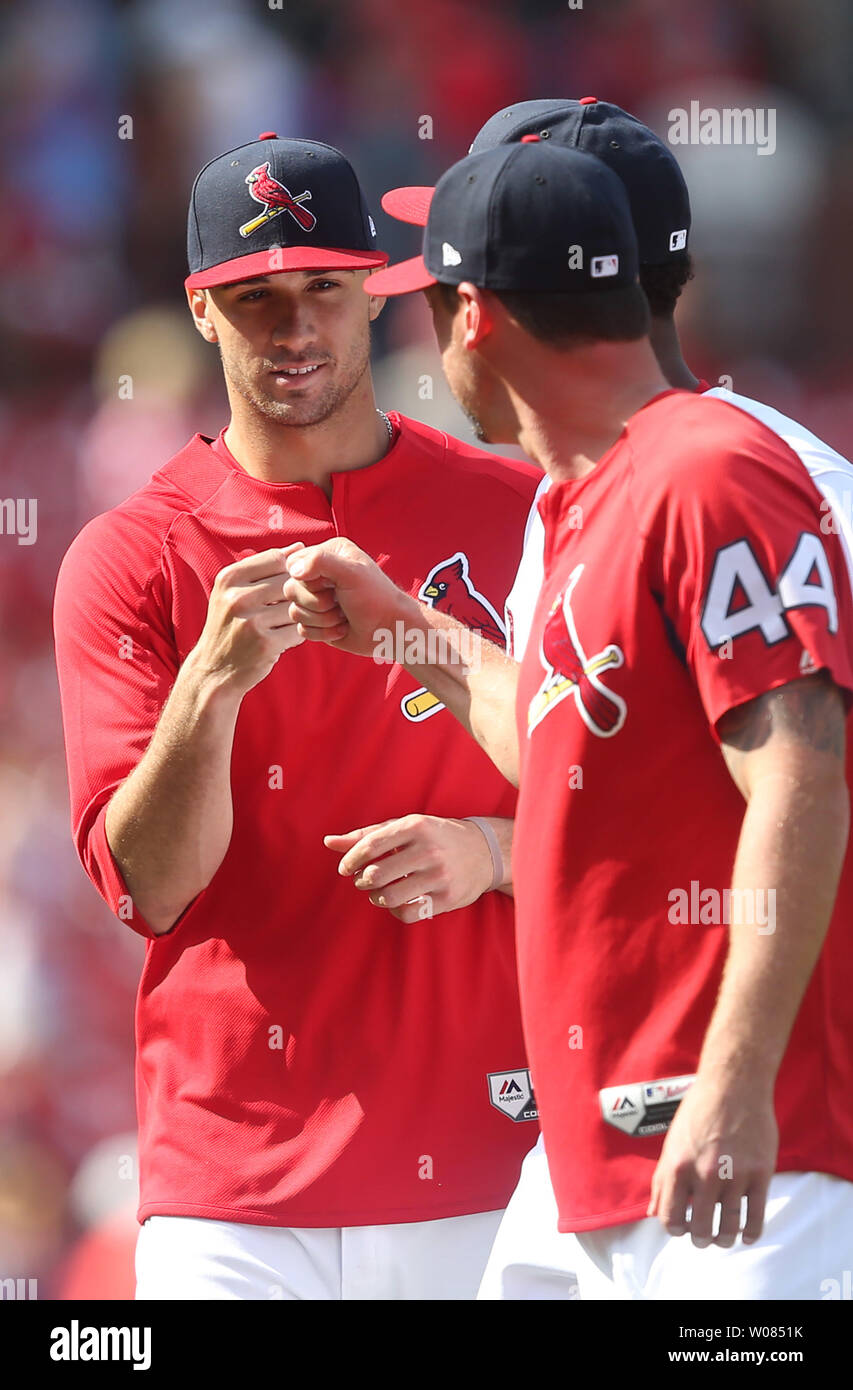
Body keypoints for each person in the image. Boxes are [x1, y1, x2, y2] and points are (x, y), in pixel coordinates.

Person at [281, 140, 853, 1300]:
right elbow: (569, 757)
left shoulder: (710, 473)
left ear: (474, 319)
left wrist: (736, 1081)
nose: (423, 347)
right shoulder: (591, 496)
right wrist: (405, 629)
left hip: (749, 1162)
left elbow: (801, 776)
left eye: (428, 311)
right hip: (602, 1161)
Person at [53, 133, 541, 1301]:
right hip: (235, 1192)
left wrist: (490, 851)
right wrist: (210, 683)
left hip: (494, 1163)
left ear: (376, 291)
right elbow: (149, 887)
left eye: (324, 286)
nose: (294, 328)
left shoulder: (523, 510)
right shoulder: (126, 557)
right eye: (253, 297)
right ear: (200, 311)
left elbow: (631, 806)